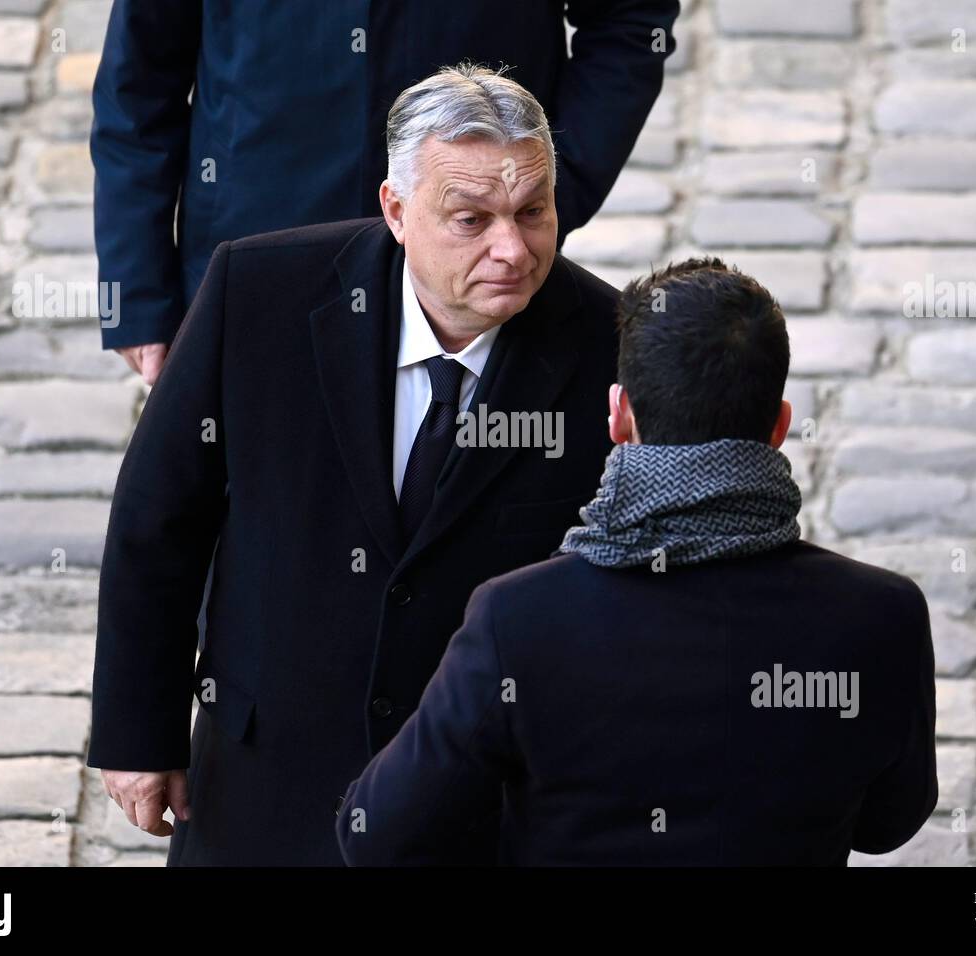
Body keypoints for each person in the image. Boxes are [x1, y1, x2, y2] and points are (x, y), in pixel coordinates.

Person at [89, 65, 622, 865]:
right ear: (398, 210)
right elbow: (160, 515)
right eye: (471, 219)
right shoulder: (258, 294)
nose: (511, 248)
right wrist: (138, 731)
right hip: (266, 778)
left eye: (532, 212)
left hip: (489, 807)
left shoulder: (610, 345)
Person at [336, 258, 939, 865]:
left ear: (619, 416)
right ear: (780, 426)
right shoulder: (881, 613)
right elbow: (888, 822)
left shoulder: (518, 619)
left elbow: (378, 836)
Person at [92, 0, 680, 384]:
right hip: (258, 264)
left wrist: (543, 192)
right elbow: (139, 79)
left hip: (472, 285)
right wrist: (137, 294)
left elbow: (629, 22)